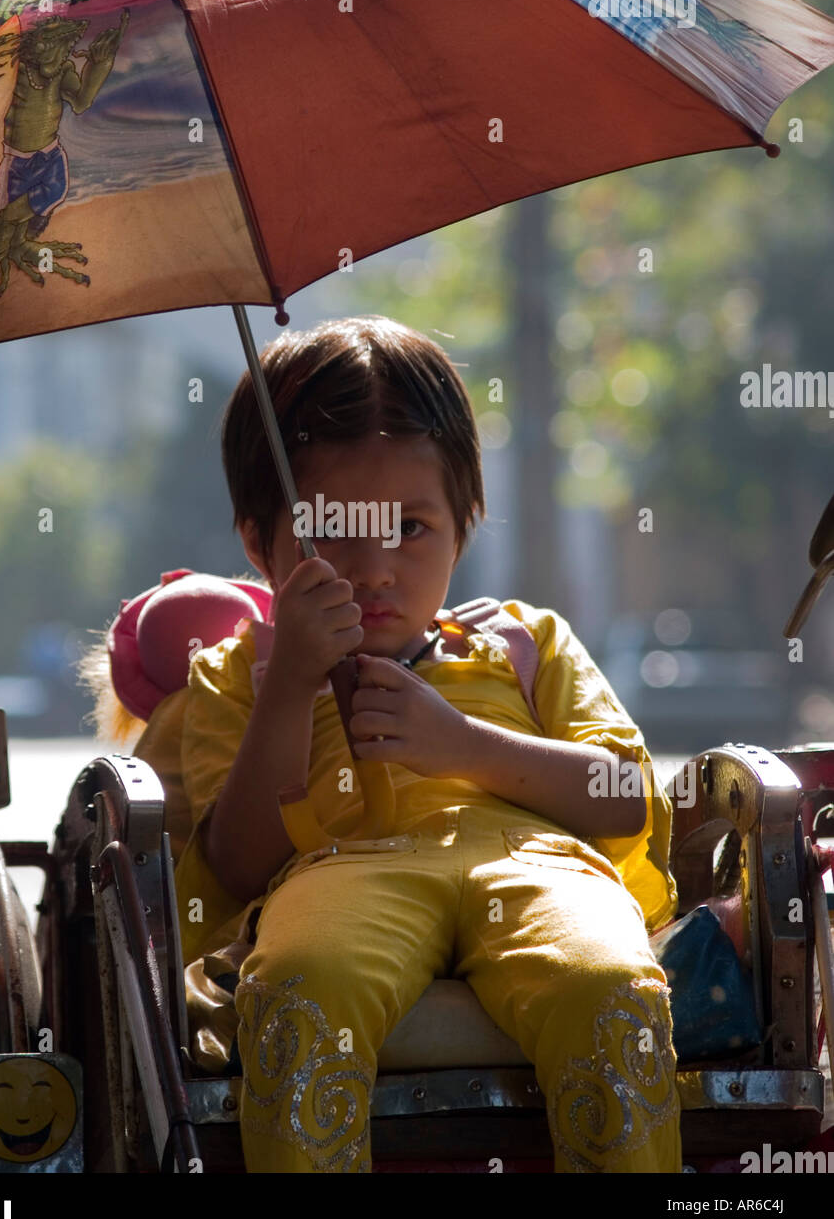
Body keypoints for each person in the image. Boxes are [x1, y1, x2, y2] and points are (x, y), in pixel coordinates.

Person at [84, 313, 681, 1173]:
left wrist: (465, 744)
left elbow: (628, 796)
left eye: (411, 528)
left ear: (465, 525)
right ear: (260, 542)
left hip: (537, 866)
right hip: (334, 876)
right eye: (331, 527)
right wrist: (289, 683)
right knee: (300, 987)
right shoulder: (235, 677)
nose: (373, 567)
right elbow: (241, 865)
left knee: (608, 988)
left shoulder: (523, 644)